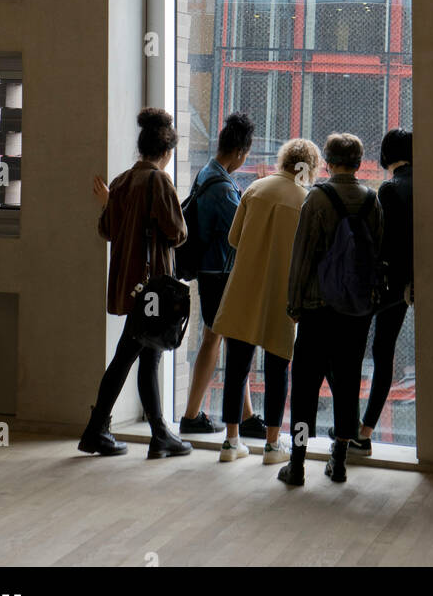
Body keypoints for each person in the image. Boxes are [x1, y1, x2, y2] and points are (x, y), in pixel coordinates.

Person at [79, 108, 192, 461]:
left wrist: (111, 204)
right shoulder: (158, 181)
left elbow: (107, 231)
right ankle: (101, 431)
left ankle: (154, 434)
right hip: (154, 287)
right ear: (167, 152)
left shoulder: (123, 180)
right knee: (133, 355)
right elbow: (178, 233)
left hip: (131, 284)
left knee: (144, 354)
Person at [280, 132, 383, 488]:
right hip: (355, 312)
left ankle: (297, 463)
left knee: (306, 388)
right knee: (348, 383)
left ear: (327, 161)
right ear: (358, 163)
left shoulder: (317, 200)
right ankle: (338, 461)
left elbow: (302, 257)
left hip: (316, 308)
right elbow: (377, 257)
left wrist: (294, 303)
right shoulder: (372, 201)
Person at [213, 138, 321, 465]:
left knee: (236, 368)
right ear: (309, 168)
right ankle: (273, 446)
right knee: (278, 370)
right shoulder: (306, 200)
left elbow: (233, 238)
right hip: (281, 296)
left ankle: (231, 441)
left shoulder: (255, 189)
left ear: (282, 160)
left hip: (244, 290)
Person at [179, 112, 265, 438]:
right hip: (220, 274)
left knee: (221, 338)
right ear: (241, 152)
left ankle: (243, 415)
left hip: (209, 271)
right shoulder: (224, 189)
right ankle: (194, 415)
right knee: (221, 339)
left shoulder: (207, 173)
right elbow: (241, 234)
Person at [354, 127, 413, 456]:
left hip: (390, 285)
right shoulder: (427, 183)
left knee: (371, 350)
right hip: (415, 284)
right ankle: (364, 430)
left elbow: (384, 244)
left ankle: (358, 430)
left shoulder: (390, 190)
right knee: (385, 351)